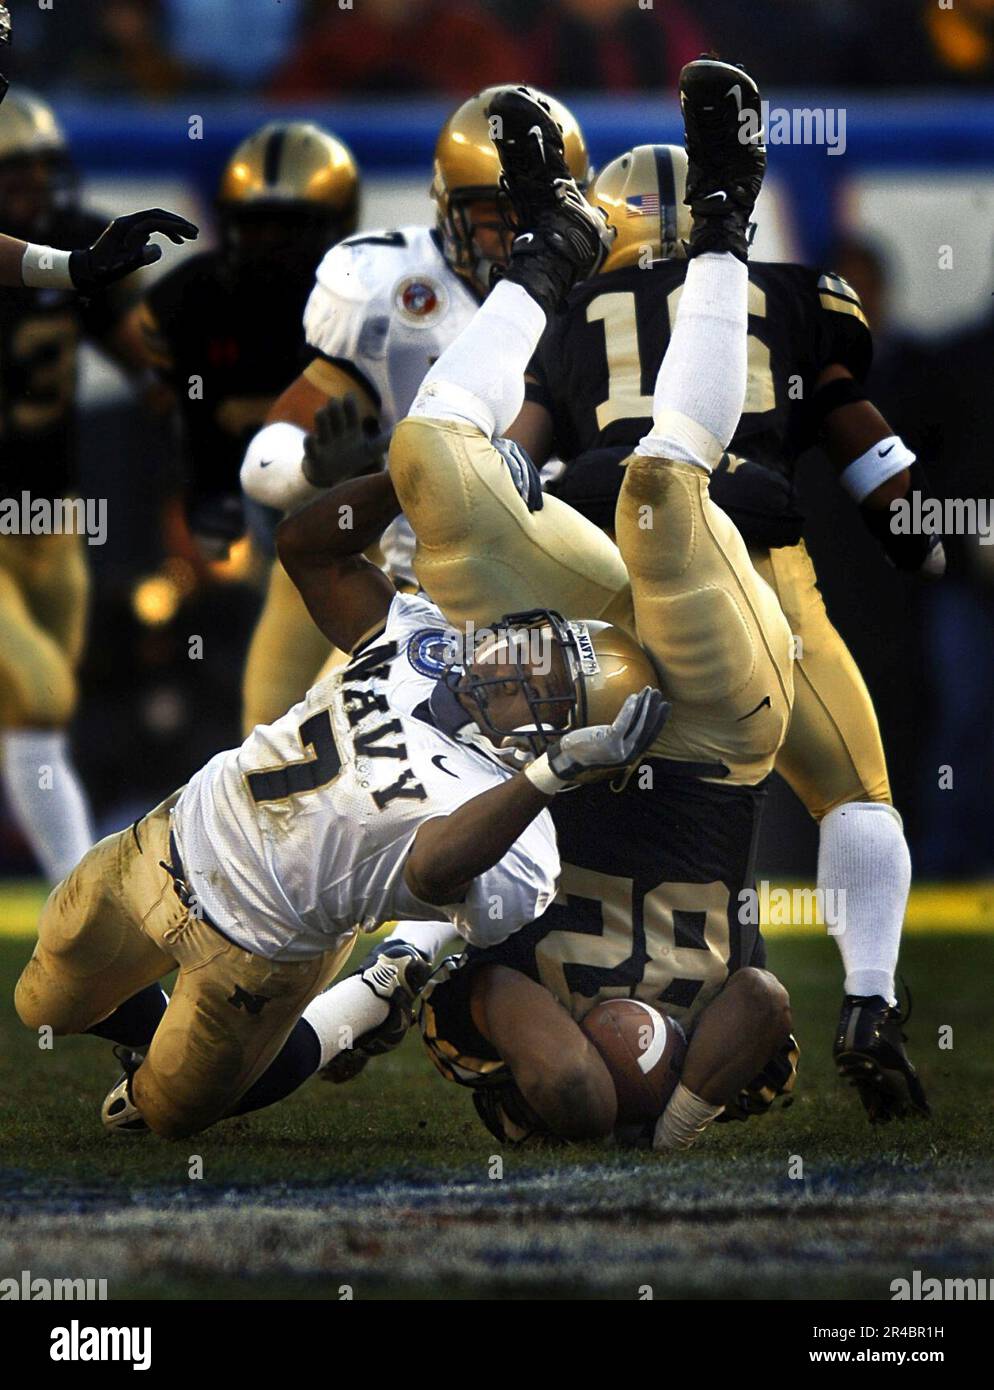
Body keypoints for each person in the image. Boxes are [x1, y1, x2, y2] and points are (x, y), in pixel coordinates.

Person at [257, 69, 799, 1151]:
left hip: (569, 668)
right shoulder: (718, 1044)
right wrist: (675, 1125)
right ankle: (726, 215)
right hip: (715, 732)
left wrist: (379, 991)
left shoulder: (482, 996)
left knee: (427, 459)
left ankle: (556, 242)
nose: (593, 1041)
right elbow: (767, 1013)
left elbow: (531, 1047)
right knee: (658, 492)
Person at [507, 139, 936, 1124]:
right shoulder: (791, 296)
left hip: (605, 568)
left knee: (568, 800)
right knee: (854, 794)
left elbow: (512, 467)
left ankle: (501, 1007)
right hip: (753, 567)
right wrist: (919, 538)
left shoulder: (564, 315)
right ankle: (867, 1002)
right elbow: (866, 453)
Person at [0, 90, 195, 886]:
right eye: (16, 173)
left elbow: (151, 368)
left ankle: (73, 910)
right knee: (38, 692)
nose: (35, 187)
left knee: (38, 721)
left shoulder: (69, 238)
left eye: (45, 169)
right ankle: (80, 898)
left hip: (49, 513)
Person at [116, 120, 359, 728]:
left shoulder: (367, 302)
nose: (270, 247)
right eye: (256, 226)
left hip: (353, 525)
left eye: (289, 229)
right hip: (225, 519)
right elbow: (151, 429)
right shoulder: (193, 300)